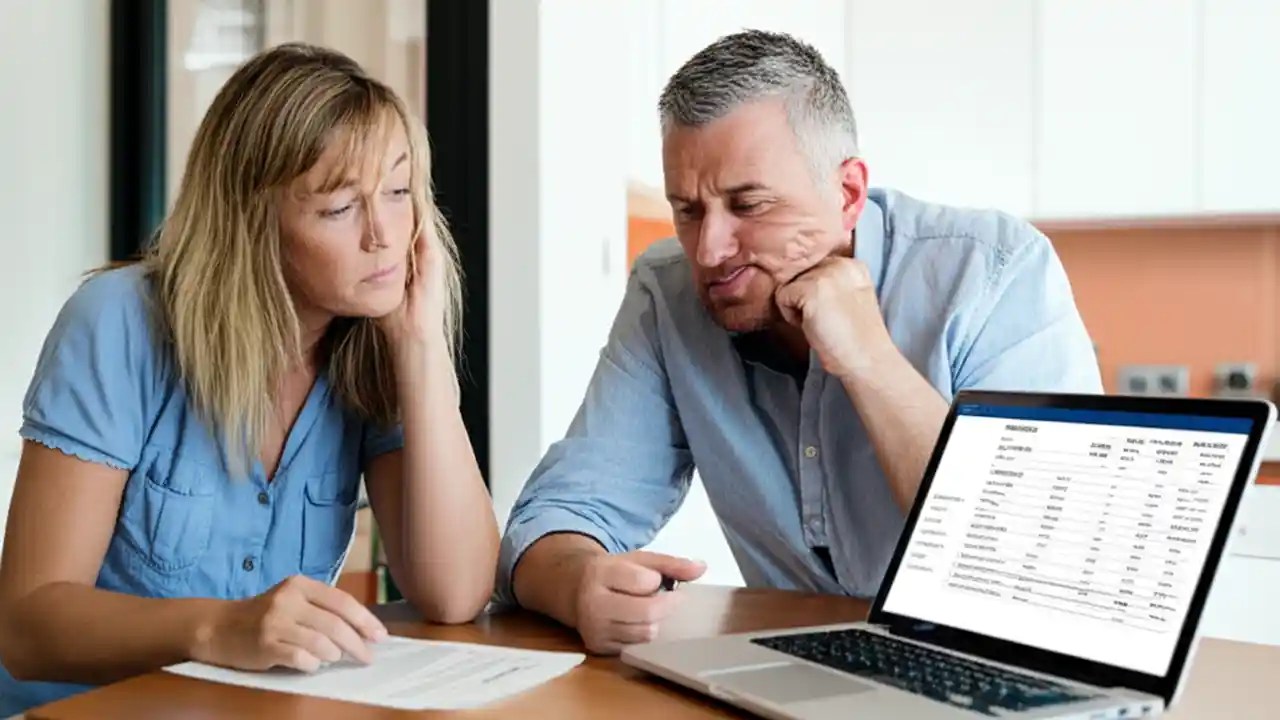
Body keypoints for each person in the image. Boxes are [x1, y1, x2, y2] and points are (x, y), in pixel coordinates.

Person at [498, 29, 1103, 655]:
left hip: (991, 669)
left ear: (847, 194)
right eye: (688, 210)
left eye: (749, 205)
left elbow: (1043, 568)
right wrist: (581, 586)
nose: (709, 252)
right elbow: (552, 520)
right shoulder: (668, 294)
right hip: (790, 677)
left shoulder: (995, 272)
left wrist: (869, 360)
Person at [0, 43, 498, 714]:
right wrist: (217, 629)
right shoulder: (118, 323)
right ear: (252, 221)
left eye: (399, 190)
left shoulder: (373, 342)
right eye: (339, 208)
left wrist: (420, 349)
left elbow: (457, 592)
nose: (384, 234)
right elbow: (28, 627)